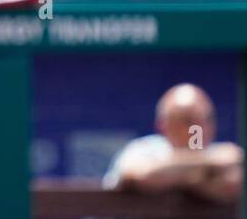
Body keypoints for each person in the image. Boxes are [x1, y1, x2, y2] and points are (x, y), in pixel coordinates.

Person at [103, 83, 243, 204]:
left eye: (206, 119)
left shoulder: (217, 154)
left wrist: (176, 175)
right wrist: (203, 169)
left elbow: (233, 184)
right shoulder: (143, 150)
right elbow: (139, 175)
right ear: (163, 125)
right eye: (188, 120)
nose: (199, 129)